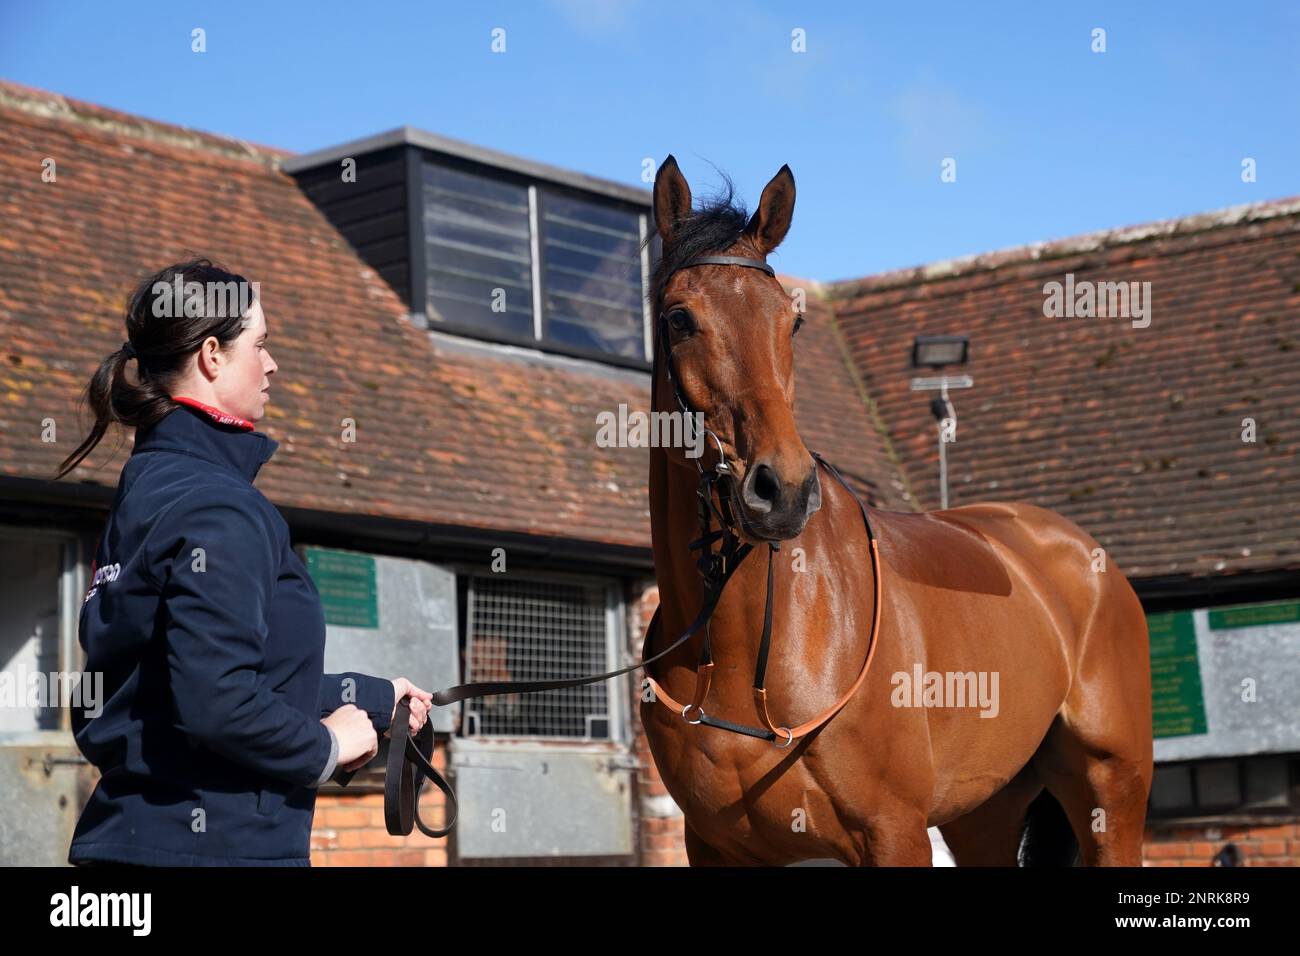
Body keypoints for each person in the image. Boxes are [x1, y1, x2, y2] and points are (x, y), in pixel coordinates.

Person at [55, 258, 434, 866]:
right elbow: (218, 701)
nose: (272, 364)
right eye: (260, 344)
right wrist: (326, 746)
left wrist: (370, 697)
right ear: (211, 355)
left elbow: (180, 684)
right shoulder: (219, 506)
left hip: (133, 847)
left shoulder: (150, 488)